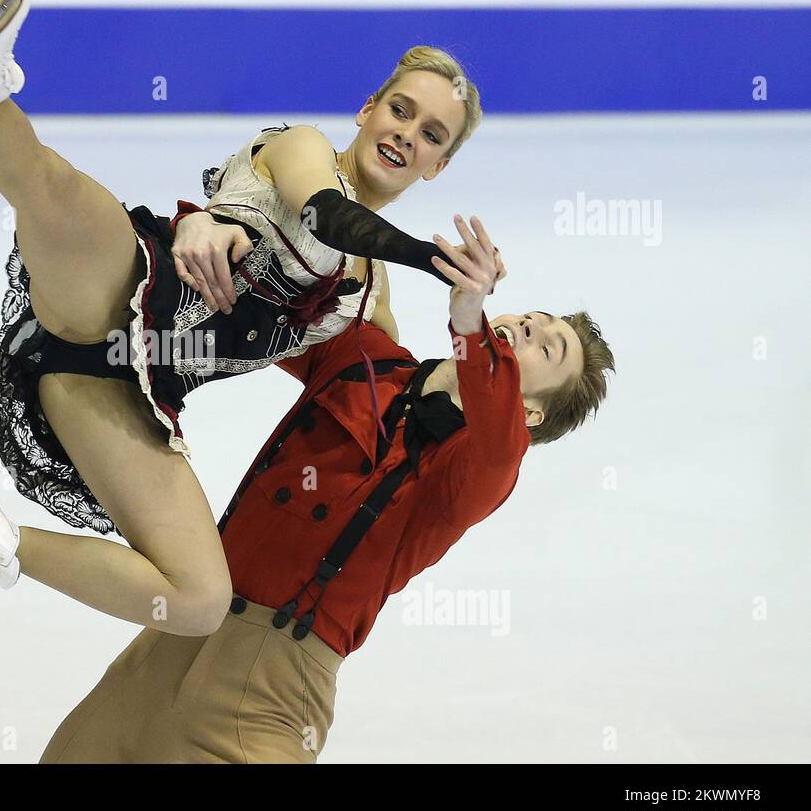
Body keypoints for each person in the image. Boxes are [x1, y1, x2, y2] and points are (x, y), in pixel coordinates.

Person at [0, 0, 495, 640]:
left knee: (199, 599)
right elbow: (327, 217)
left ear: (438, 166)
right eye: (399, 110)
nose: (406, 134)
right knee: (50, 186)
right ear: (367, 109)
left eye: (431, 133)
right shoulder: (303, 147)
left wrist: (472, 318)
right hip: (121, 279)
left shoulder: (363, 297)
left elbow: (404, 388)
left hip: (120, 391)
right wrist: (434, 258)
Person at [38, 225, 616, 762]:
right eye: (535, 320)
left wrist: (468, 323)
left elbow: (496, 438)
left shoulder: (475, 472)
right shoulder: (367, 360)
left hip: (270, 694)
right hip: (163, 649)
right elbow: (270, 304)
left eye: (549, 350)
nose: (532, 330)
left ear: (531, 414)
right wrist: (206, 229)